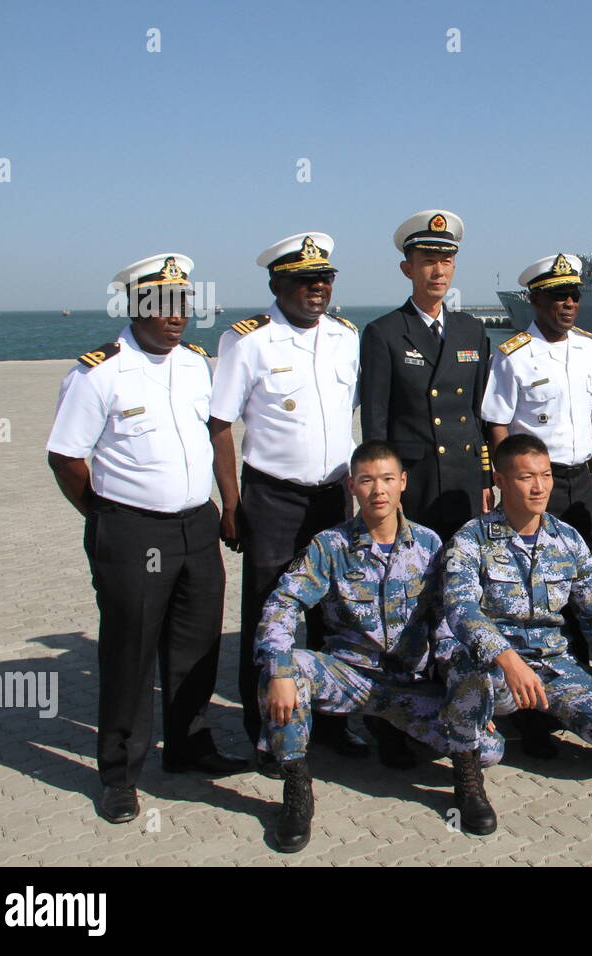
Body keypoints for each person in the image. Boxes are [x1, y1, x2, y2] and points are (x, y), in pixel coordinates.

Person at [47, 253, 245, 824]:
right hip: (132, 531)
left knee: (196, 648)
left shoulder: (195, 365)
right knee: (129, 654)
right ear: (135, 307)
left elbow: (214, 437)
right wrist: (105, 515)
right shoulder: (97, 373)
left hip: (195, 526)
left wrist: (227, 504)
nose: (177, 315)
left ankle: (188, 748)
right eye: (162, 304)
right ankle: (119, 775)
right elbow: (65, 456)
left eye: (183, 303)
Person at [255, 441, 496, 850]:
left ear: (403, 482)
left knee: (489, 747)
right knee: (282, 670)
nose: (378, 490)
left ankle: (466, 782)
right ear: (352, 485)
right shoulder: (330, 546)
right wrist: (278, 667)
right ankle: (296, 791)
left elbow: (447, 623)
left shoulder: (428, 545)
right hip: (348, 678)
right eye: (367, 481)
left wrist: (469, 694)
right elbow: (284, 602)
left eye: (387, 479)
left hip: (408, 685)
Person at [208, 233, 365, 771]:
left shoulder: (346, 337)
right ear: (277, 284)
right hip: (273, 497)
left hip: (333, 497)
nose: (317, 288)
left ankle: (332, 721)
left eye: (325, 278)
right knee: (269, 613)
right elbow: (220, 423)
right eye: (304, 280)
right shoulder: (246, 341)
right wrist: (230, 502)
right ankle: (266, 732)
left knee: (333, 612)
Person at [441, 434, 592, 786]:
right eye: (527, 477)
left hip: (555, 667)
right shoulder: (471, 539)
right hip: (498, 670)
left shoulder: (568, 539)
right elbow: (461, 610)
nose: (539, 487)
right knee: (485, 749)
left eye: (546, 475)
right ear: (500, 481)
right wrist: (507, 659)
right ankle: (470, 774)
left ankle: (541, 718)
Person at [359, 209, 492, 540]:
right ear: (408, 268)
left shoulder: (471, 330)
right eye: (428, 261)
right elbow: (376, 422)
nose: (439, 270)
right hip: (415, 481)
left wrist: (485, 479)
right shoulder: (385, 333)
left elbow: (479, 416)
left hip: (465, 480)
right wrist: (386, 488)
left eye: (446, 261)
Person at [482, 253, 592, 547]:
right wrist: (507, 479)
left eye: (574, 295)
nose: (569, 303)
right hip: (534, 483)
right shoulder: (512, 356)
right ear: (535, 300)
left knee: (584, 562)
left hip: (581, 480)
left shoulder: (589, 349)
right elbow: (497, 424)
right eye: (559, 296)